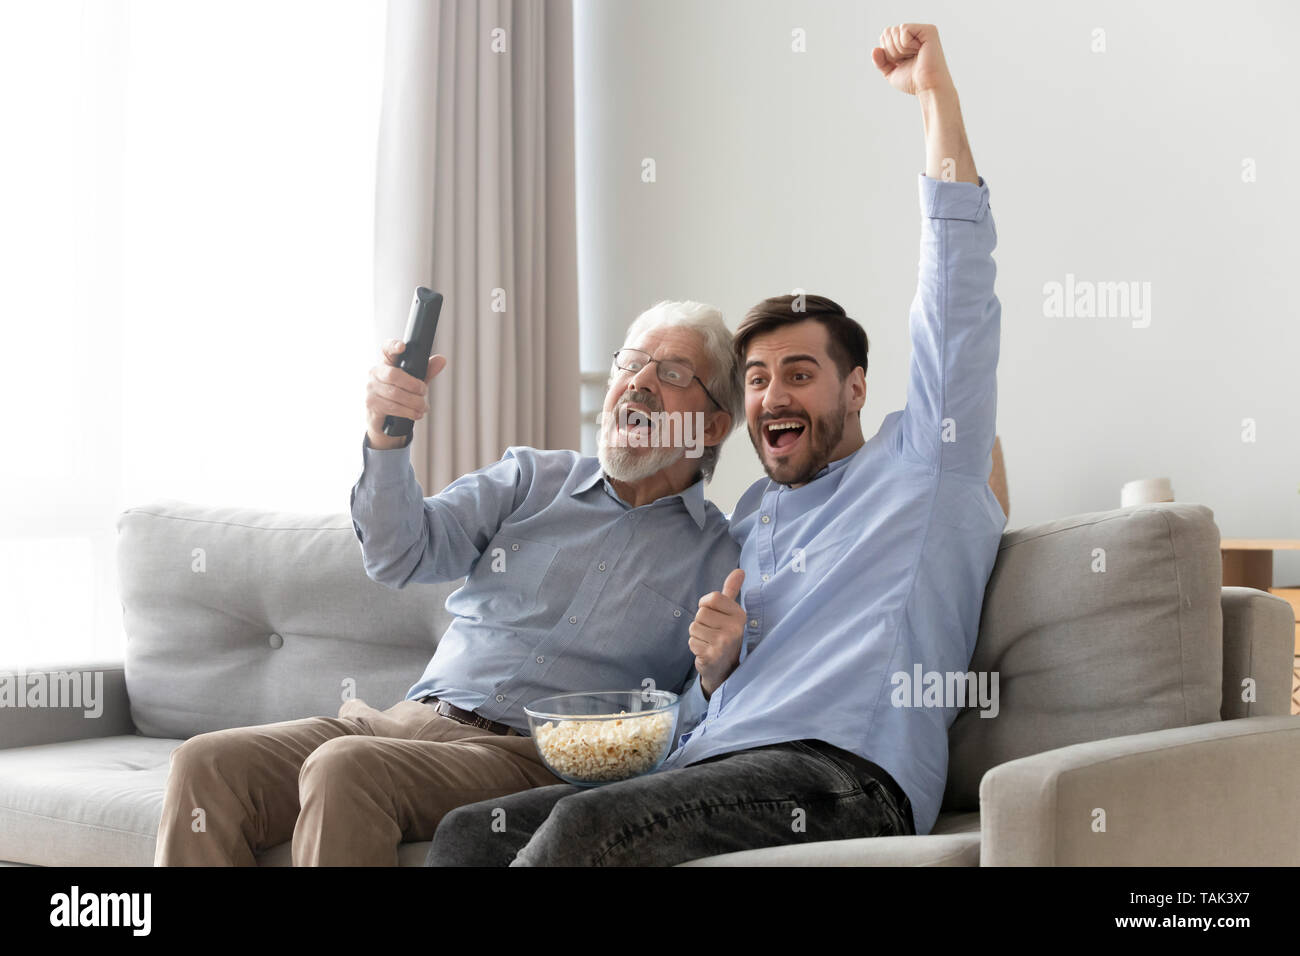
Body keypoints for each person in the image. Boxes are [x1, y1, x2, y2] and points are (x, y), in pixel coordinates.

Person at [426, 22, 1006, 866]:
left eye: (800, 373)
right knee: (473, 831)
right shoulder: (755, 516)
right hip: (714, 758)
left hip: (842, 772)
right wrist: (716, 669)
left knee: (588, 830)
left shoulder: (923, 466)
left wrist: (936, 102)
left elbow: (957, 299)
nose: (774, 393)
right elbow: (704, 703)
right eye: (761, 378)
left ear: (857, 390)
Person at [152, 299, 741, 866]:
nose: (638, 382)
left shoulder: (721, 558)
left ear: (712, 425)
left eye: (671, 373)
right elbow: (401, 554)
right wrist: (389, 438)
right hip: (400, 722)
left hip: (524, 760)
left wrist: (714, 678)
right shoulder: (531, 478)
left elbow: (685, 721)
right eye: (629, 363)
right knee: (207, 764)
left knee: (346, 767)